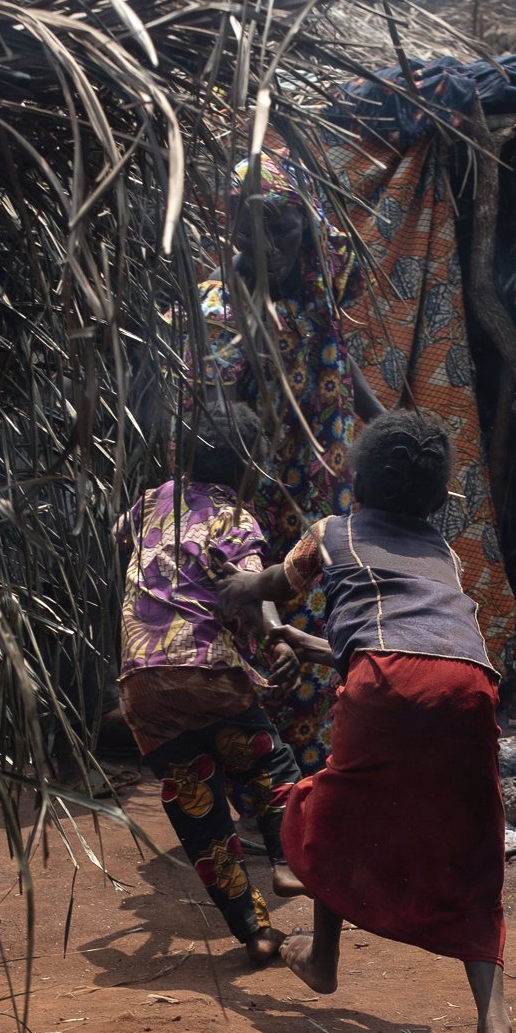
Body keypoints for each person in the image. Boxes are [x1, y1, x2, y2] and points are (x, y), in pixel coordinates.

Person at [220, 410, 516, 1033]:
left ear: (353, 479)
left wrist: (243, 586)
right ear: (443, 503)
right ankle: (495, 1026)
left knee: (335, 815)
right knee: (474, 851)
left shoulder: (333, 532)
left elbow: (276, 586)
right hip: (471, 687)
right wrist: (317, 646)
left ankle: (323, 960)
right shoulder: (443, 555)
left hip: (384, 683)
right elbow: (418, 647)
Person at [117, 403, 329, 966]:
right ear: (248, 470)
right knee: (271, 769)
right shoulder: (237, 518)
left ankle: (255, 934)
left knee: (198, 817)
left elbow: (122, 540)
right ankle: (285, 862)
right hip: (208, 672)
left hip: (142, 683)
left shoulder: (148, 502)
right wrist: (279, 640)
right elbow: (251, 590)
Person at [199, 156, 381, 771]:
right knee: (262, 635)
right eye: (252, 227)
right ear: (230, 229)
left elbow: (339, 361)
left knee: (326, 626)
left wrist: (388, 427)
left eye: (284, 227)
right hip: (260, 510)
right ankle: (272, 792)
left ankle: (314, 778)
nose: (268, 245)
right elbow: (214, 418)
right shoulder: (222, 311)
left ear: (306, 227)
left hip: (327, 507)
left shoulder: (312, 296)